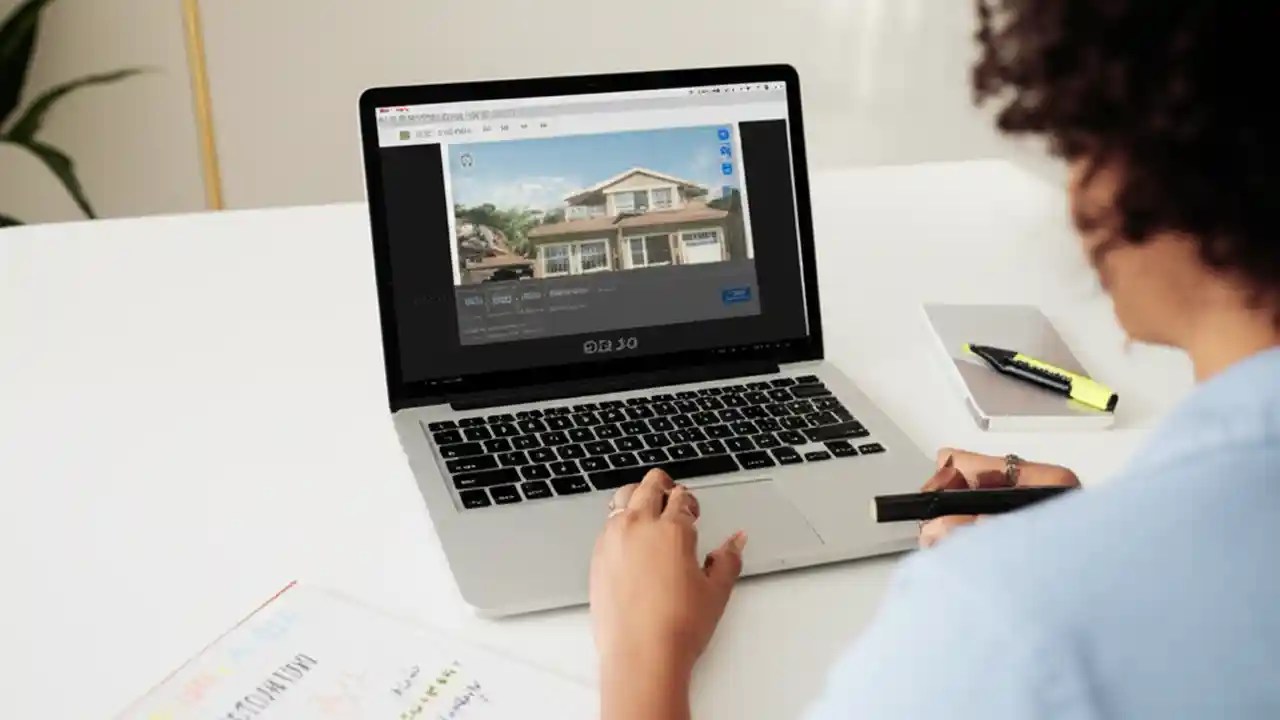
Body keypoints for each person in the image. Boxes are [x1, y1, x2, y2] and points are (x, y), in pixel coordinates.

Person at [589, 1, 1280, 718]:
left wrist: (643, 651)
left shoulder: (1006, 627)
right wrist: (1095, 541)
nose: (1075, 188)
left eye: (1083, 144)